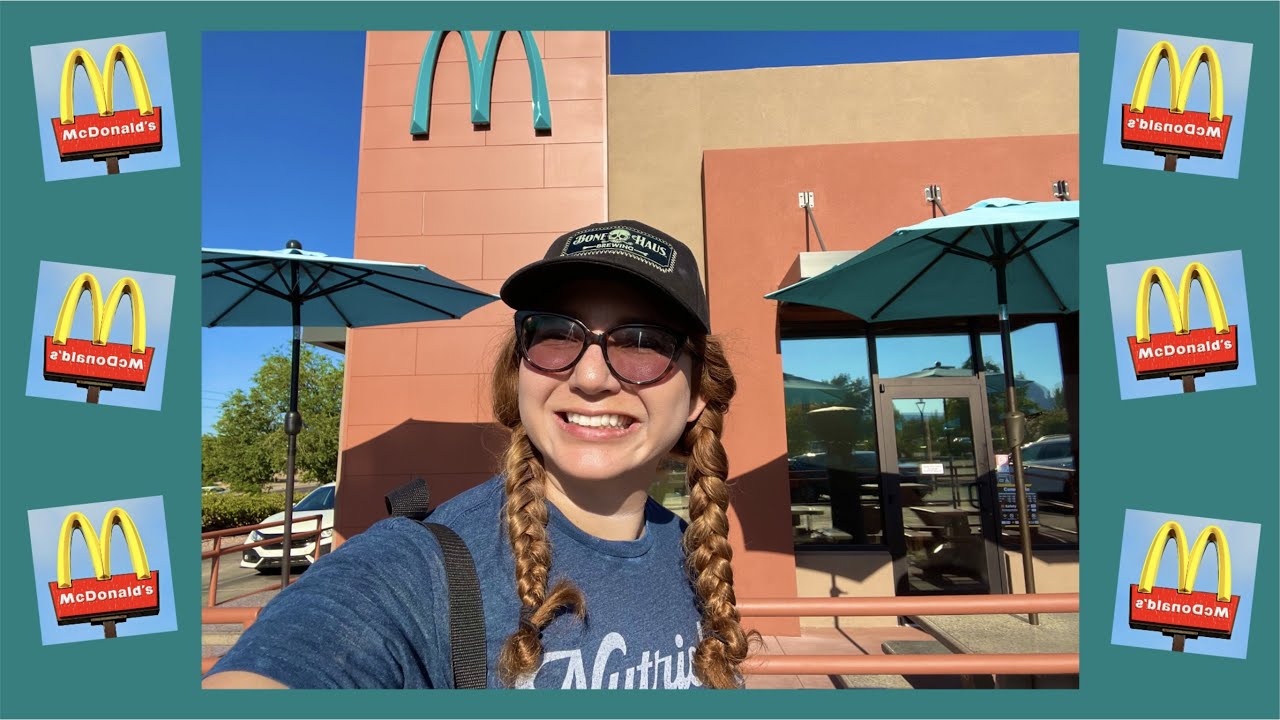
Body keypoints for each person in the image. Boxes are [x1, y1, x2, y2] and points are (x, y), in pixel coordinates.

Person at [204, 221, 753, 689]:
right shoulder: (419, 569)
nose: (589, 377)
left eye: (642, 343)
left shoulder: (691, 553)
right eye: (556, 335)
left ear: (697, 394)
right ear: (520, 372)